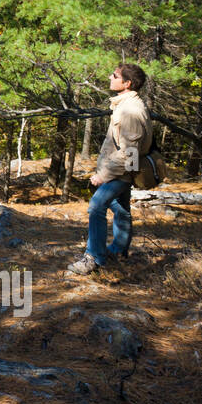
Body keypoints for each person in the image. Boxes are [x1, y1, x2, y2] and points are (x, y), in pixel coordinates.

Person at [67, 63, 150, 275]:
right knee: (120, 208)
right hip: (122, 170)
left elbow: (129, 152)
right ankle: (119, 251)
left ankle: (94, 258)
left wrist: (103, 176)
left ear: (127, 83)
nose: (109, 77)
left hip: (121, 171)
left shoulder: (130, 110)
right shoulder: (124, 105)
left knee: (96, 205)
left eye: (114, 75)